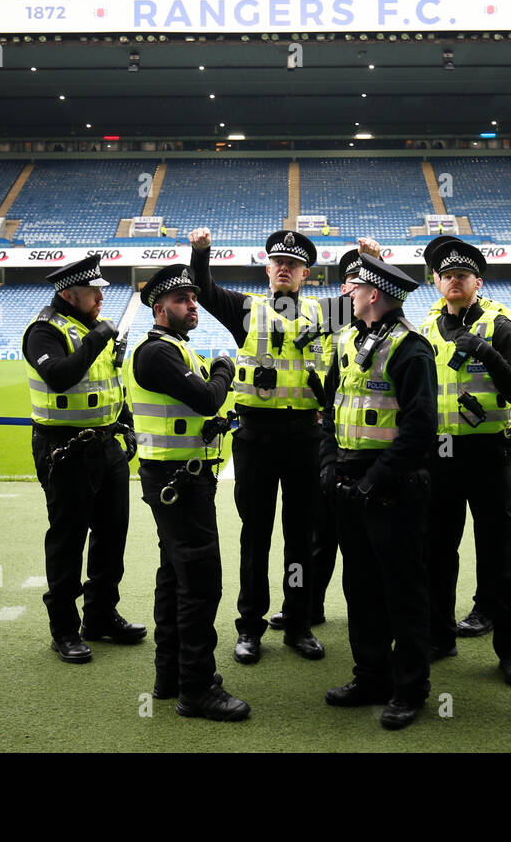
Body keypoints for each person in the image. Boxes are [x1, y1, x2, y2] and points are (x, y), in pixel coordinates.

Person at [188, 227, 327, 665]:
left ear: (306, 273)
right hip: (256, 437)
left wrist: (372, 260)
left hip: (306, 436)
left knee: (300, 538)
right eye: (278, 263)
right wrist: (202, 252)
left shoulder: (327, 312)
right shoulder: (247, 309)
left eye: (294, 265)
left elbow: (378, 304)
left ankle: (299, 622)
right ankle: (250, 626)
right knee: (256, 536)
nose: (284, 269)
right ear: (267, 269)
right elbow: (204, 289)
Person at [123, 264, 250, 721]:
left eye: (195, 299)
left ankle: (171, 673)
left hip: (179, 478)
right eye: (183, 301)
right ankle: (196, 689)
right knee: (199, 581)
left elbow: (195, 409)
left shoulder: (173, 349)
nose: (193, 305)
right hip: (179, 482)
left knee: (175, 575)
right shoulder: (158, 352)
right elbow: (208, 398)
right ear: (160, 308)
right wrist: (224, 368)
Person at [321, 253, 438, 730]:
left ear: (374, 295)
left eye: (354, 290)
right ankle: (370, 674)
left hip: (391, 487)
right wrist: (329, 465)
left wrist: (375, 479)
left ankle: (410, 688)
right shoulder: (347, 339)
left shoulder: (412, 348)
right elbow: (330, 410)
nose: (346, 295)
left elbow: (420, 430)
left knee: (402, 590)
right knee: (360, 586)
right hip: (351, 482)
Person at [417, 237, 511, 686]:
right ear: (438, 282)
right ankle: (439, 637)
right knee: (436, 553)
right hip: (438, 457)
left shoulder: (501, 326)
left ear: (477, 282)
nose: (454, 281)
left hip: (487, 454)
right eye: (447, 275)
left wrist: (487, 353)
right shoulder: (425, 327)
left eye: (462, 275)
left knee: (499, 554)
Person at [23, 255, 146, 666]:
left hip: (107, 445)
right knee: (68, 539)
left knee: (112, 535)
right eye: (92, 291)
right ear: (66, 293)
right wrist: (98, 337)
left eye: (100, 291)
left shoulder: (91, 326)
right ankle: (63, 629)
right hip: (65, 450)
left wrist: (125, 424)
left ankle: (100, 616)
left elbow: (111, 383)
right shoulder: (43, 330)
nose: (99, 297)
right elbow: (61, 375)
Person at [268, 239, 381, 635]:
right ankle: (306, 606)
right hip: (324, 441)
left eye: (360, 280)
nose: (352, 287)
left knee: (361, 540)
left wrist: (374, 260)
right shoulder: (333, 316)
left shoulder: (376, 322)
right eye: (347, 280)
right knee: (318, 535)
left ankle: (367, 618)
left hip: (364, 447)